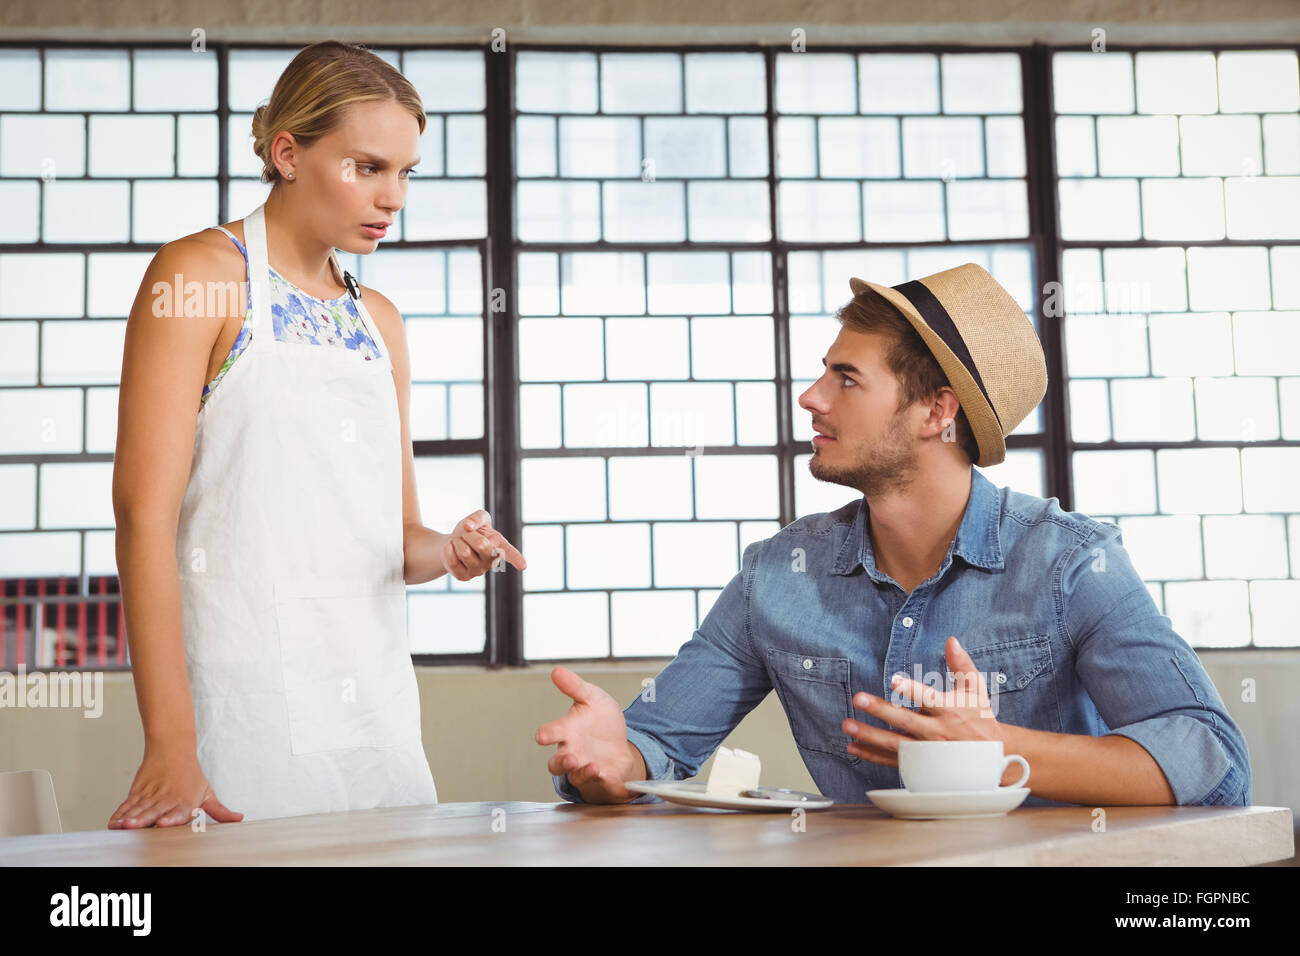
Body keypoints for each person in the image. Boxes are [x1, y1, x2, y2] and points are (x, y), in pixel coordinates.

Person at [536, 262, 1251, 809]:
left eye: (847, 379)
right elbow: (654, 745)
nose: (811, 396)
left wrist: (999, 749)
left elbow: (1213, 757)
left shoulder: (1070, 563)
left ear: (938, 409)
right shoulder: (776, 577)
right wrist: (612, 761)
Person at [110, 41, 523, 828]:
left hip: (374, 707)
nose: (392, 196)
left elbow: (401, 542)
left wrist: (452, 549)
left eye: (405, 173)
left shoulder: (380, 324)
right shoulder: (196, 278)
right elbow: (142, 518)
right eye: (367, 167)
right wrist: (170, 740)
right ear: (288, 153)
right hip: (242, 702)